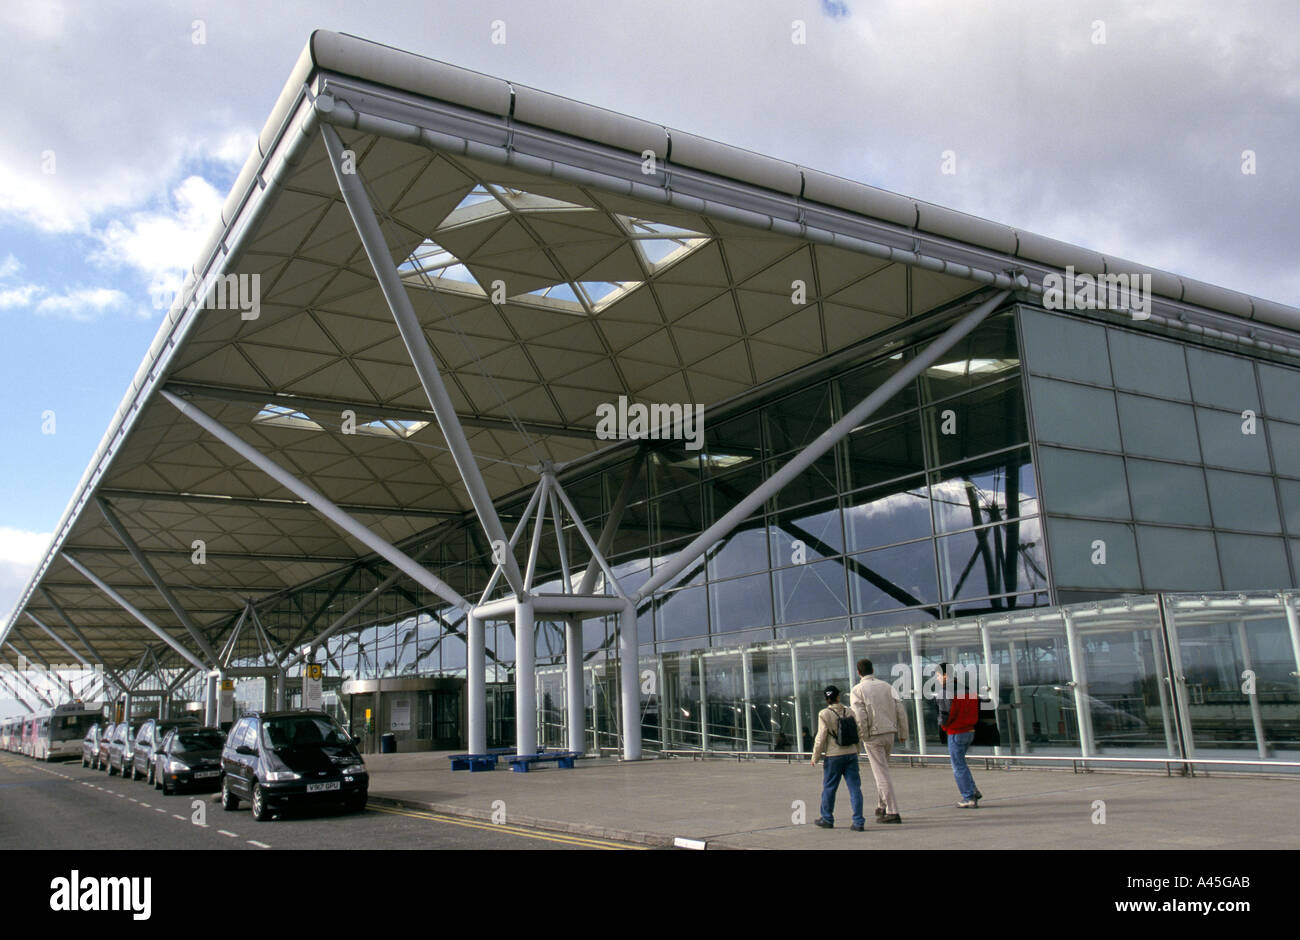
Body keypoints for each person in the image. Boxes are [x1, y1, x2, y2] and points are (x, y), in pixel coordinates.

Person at [849, 658, 909, 823]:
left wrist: (863, 735)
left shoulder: (857, 690)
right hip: (889, 732)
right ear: (872, 669)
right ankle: (882, 805)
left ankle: (892, 811)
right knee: (883, 770)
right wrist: (903, 732)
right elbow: (900, 710)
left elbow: (860, 715)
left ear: (858, 672)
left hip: (873, 735)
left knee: (881, 773)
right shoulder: (888, 687)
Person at [810, 685, 866, 831]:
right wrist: (857, 750)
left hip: (833, 756)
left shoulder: (824, 714)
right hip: (851, 755)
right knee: (855, 788)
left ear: (826, 698)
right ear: (838, 697)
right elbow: (859, 732)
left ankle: (827, 819)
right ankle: (858, 822)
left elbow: (821, 737)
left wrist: (815, 756)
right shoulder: (850, 712)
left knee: (829, 788)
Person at [936, 662, 983, 808]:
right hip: (969, 730)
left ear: (945, 675)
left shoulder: (945, 691)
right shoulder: (967, 689)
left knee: (958, 765)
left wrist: (942, 726)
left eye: (937, 675)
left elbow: (944, 713)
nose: (937, 678)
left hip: (956, 731)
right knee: (961, 763)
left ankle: (968, 796)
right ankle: (973, 789)